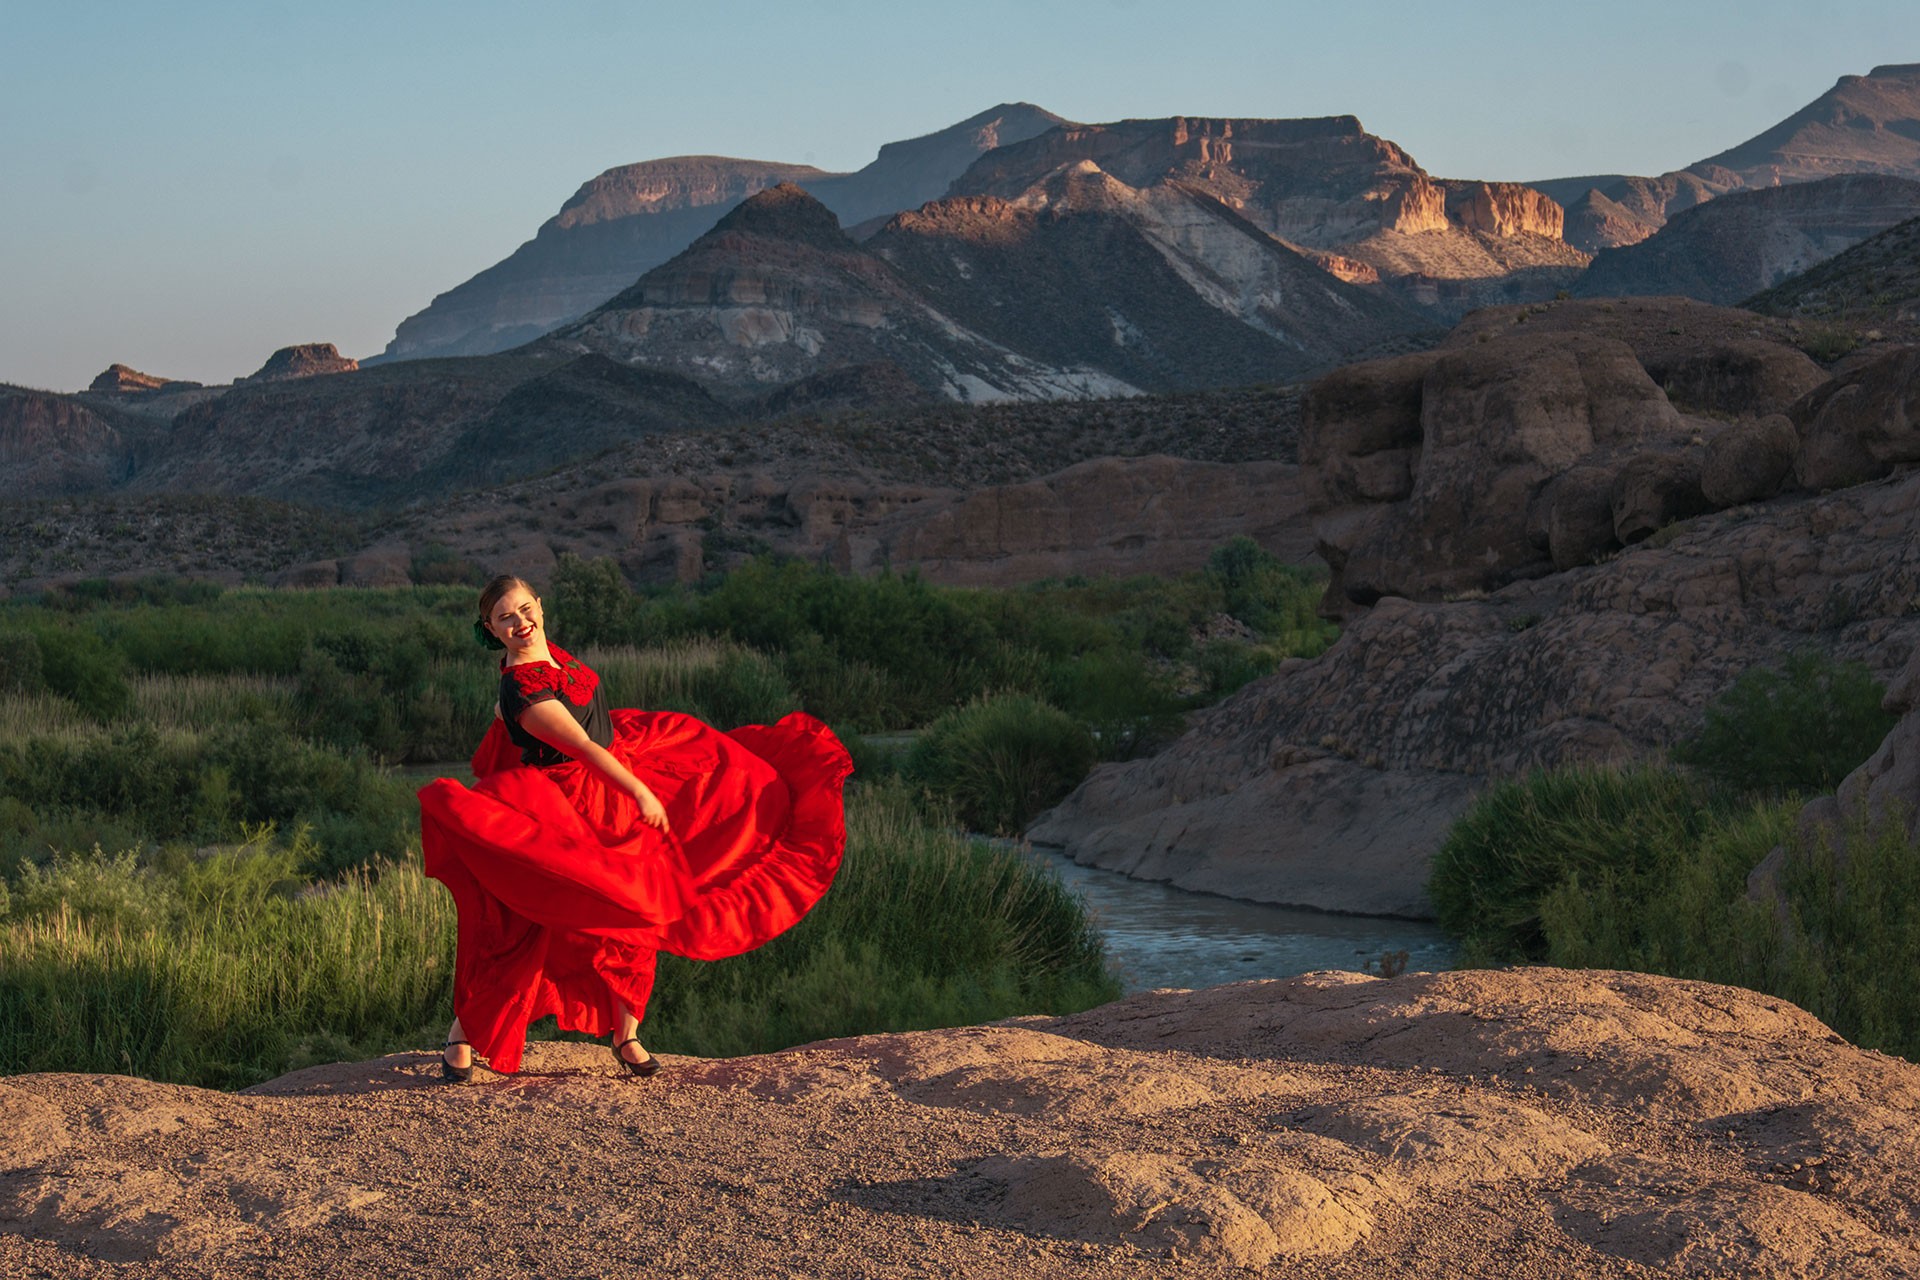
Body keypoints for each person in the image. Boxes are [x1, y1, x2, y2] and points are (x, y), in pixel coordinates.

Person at [417, 574, 851, 1082]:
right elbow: (583, 749)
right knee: (536, 926)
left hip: (612, 774)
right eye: (506, 617)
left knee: (654, 894)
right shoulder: (522, 688)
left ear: (539, 604)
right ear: (489, 628)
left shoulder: (542, 654)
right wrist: (639, 792)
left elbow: (534, 716)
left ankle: (627, 1035)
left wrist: (507, 718)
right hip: (577, 800)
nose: (521, 622)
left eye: (525, 608)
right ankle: (462, 1035)